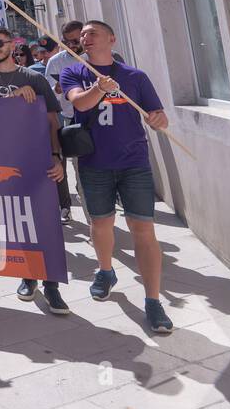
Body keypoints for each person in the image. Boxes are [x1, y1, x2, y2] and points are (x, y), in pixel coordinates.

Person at [61, 20, 173, 334]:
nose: (85, 37)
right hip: (94, 163)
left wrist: (158, 119)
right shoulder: (74, 72)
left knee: (143, 228)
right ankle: (106, 270)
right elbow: (79, 103)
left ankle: (153, 300)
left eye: (92, 32)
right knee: (101, 223)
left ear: (111, 39)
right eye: (82, 35)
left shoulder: (136, 77)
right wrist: (99, 88)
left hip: (134, 162)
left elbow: (159, 118)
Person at [0, 28, 70, 313]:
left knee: (46, 222)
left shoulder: (33, 78)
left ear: (13, 45)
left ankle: (52, 286)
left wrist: (56, 156)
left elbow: (51, 121)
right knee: (19, 221)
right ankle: (28, 275)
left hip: (37, 158)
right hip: (4, 161)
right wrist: (15, 98)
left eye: (0, 43)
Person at [43, 20, 85, 122]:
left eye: (75, 41)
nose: (70, 46)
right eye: (66, 42)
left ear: (83, 37)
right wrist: (56, 89)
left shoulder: (95, 55)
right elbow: (49, 95)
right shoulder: (55, 61)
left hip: (100, 115)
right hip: (71, 117)